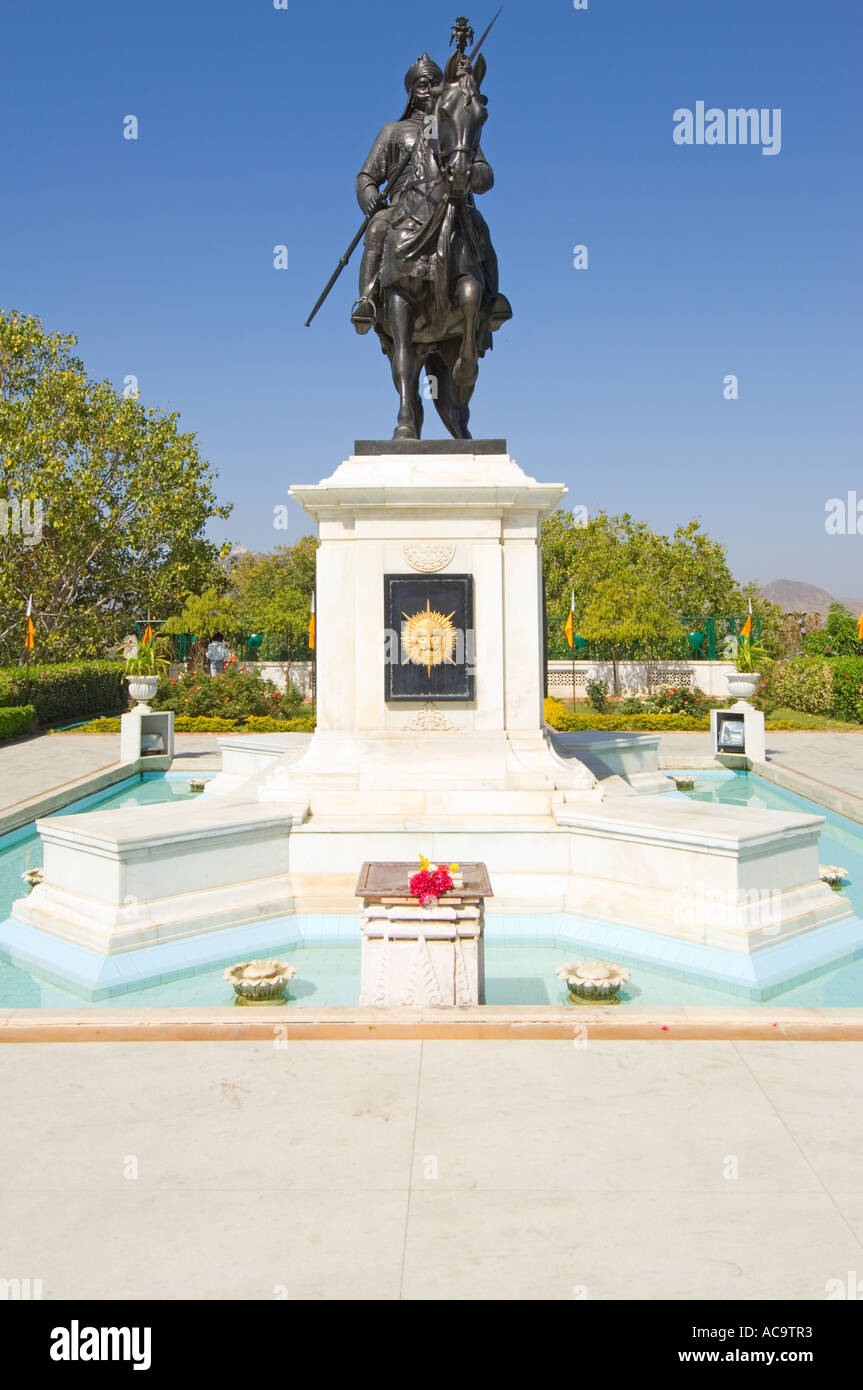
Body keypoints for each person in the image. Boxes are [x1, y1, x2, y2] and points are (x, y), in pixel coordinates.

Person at [351, 53, 507, 334]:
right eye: (423, 84)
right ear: (411, 92)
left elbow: (484, 172)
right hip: (401, 208)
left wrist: (472, 175)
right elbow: (366, 176)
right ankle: (367, 300)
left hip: (451, 203)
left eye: (436, 83)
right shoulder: (393, 131)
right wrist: (370, 196)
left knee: (480, 227)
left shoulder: (454, 126)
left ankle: (493, 299)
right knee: (376, 229)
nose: (430, 90)